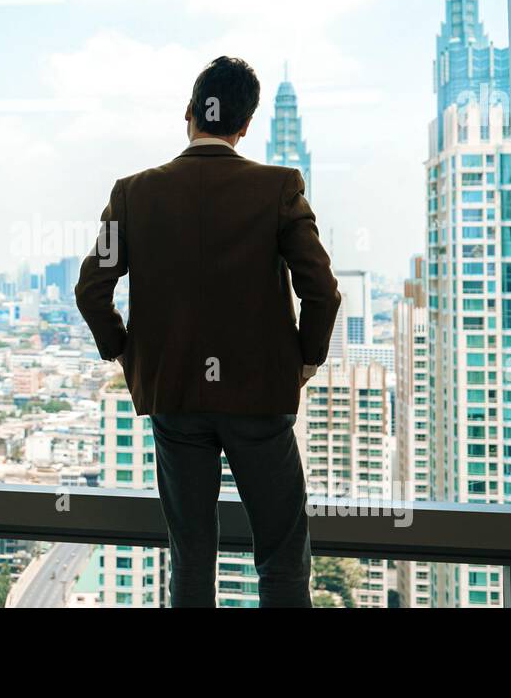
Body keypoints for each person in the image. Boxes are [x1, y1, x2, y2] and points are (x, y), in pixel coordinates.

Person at [75, 56, 341, 607]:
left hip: (173, 398)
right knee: (282, 558)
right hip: (261, 400)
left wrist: (130, 356)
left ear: (190, 112)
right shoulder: (279, 188)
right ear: (244, 126)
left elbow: (90, 289)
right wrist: (306, 361)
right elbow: (321, 288)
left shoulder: (133, 193)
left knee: (190, 561)